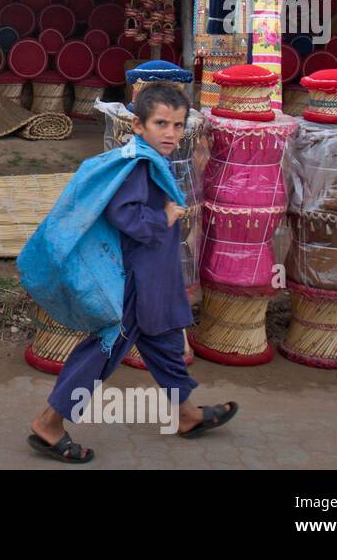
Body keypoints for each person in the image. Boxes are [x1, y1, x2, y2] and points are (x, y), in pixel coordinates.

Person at [27, 84, 238, 463]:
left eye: (178, 124)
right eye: (161, 123)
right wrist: (165, 217)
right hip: (134, 284)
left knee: (167, 344)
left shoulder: (149, 158)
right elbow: (124, 215)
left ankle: (187, 415)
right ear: (139, 125)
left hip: (155, 281)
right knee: (102, 354)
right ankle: (49, 424)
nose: (171, 133)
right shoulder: (138, 163)